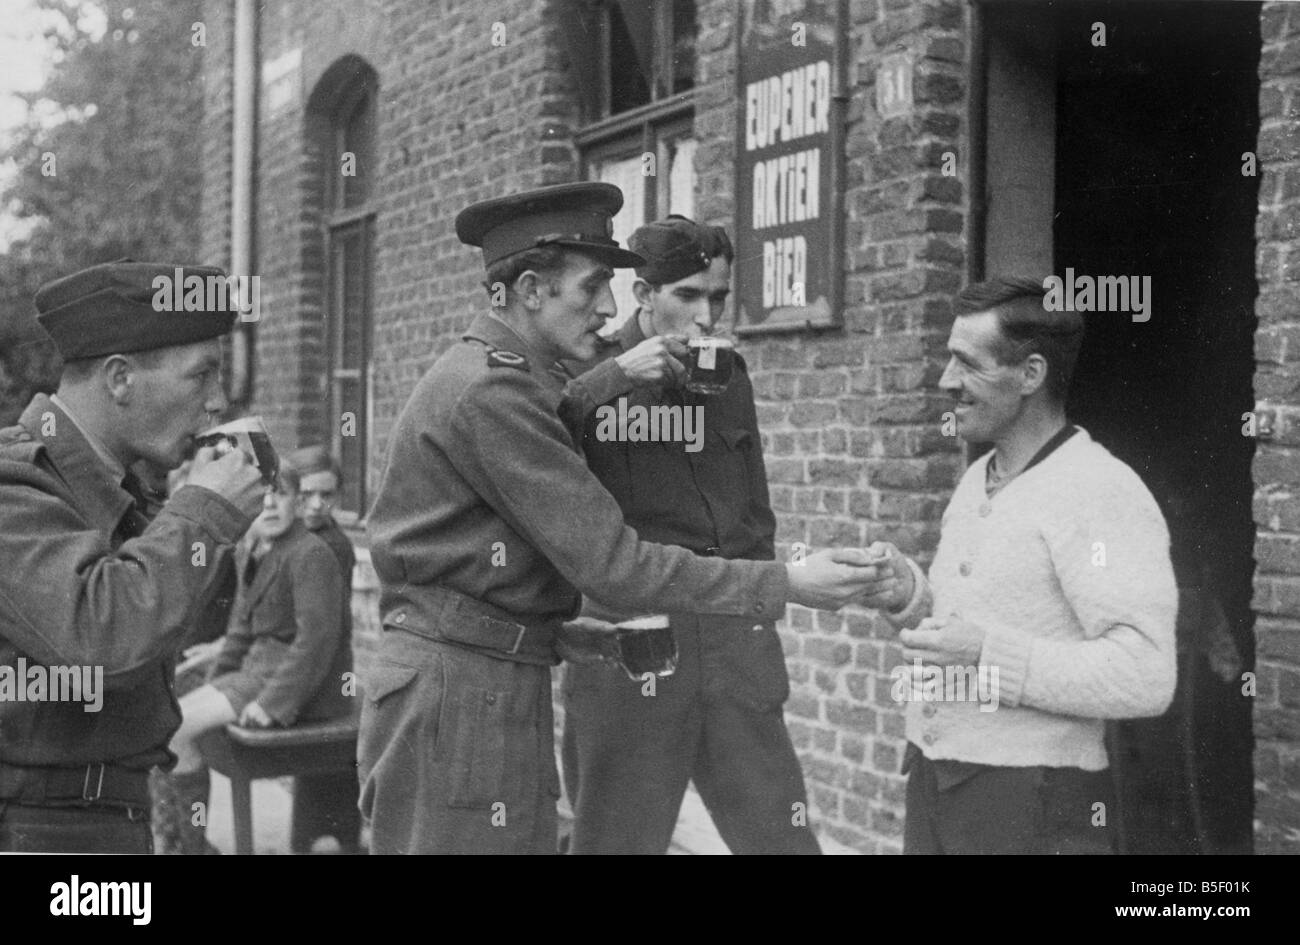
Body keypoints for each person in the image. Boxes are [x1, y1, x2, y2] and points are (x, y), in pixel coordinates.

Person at [358, 181, 881, 855]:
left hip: (498, 676)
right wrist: (792, 583)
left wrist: (571, 635)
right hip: (467, 694)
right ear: (528, 290)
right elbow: (614, 564)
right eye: (592, 287)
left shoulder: (503, 378)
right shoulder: (498, 390)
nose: (606, 307)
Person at [861, 276, 1178, 854]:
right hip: (937, 781)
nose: (945, 381)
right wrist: (908, 595)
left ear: (1031, 375)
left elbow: (1146, 676)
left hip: (1033, 803)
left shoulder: (1099, 489)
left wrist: (985, 655)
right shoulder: (979, 478)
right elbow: (976, 627)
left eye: (966, 364)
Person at [558, 216, 818, 854]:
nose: (707, 316)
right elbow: (533, 462)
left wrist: (757, 625)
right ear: (643, 295)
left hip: (733, 648)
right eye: (689, 296)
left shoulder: (727, 374)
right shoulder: (582, 371)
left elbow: (755, 514)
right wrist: (616, 377)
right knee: (616, 844)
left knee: (780, 838)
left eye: (719, 298)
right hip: (633, 651)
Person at [0, 260, 264, 853]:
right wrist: (202, 511)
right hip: (40, 828)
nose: (218, 402)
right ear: (120, 379)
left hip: (101, 815)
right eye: (202, 376)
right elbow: (104, 641)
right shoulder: (13, 487)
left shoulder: (119, 494)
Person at [165, 465, 348, 853]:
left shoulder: (311, 553)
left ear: (296, 503)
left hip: (299, 687)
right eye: (261, 496)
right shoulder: (257, 549)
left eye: (279, 494)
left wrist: (270, 704)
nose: (269, 504)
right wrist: (217, 679)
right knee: (162, 720)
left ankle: (191, 847)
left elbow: (317, 642)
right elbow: (240, 631)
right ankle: (174, 838)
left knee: (176, 729)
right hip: (259, 671)